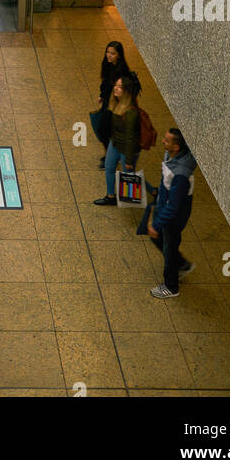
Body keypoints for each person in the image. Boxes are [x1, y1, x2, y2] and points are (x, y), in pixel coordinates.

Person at [147, 128, 197, 298]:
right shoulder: (171, 156)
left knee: (169, 249)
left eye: (167, 140)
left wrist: (157, 223)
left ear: (176, 146)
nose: (162, 141)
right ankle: (181, 264)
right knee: (161, 241)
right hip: (164, 208)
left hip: (172, 219)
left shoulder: (181, 174)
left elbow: (175, 206)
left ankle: (171, 287)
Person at [94, 74, 140, 206]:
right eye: (116, 85)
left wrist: (129, 160)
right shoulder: (116, 104)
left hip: (126, 149)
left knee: (129, 175)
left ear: (127, 91)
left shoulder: (130, 111)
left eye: (120, 87)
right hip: (115, 143)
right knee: (109, 167)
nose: (116, 88)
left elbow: (131, 138)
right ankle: (110, 196)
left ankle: (153, 191)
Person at [90, 41, 130, 168]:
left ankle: (111, 157)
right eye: (108, 52)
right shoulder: (107, 65)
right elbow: (105, 82)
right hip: (108, 101)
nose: (109, 55)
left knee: (104, 129)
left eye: (113, 53)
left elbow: (122, 90)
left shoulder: (121, 69)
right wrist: (102, 95)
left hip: (115, 106)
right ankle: (110, 155)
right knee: (103, 129)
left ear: (119, 55)